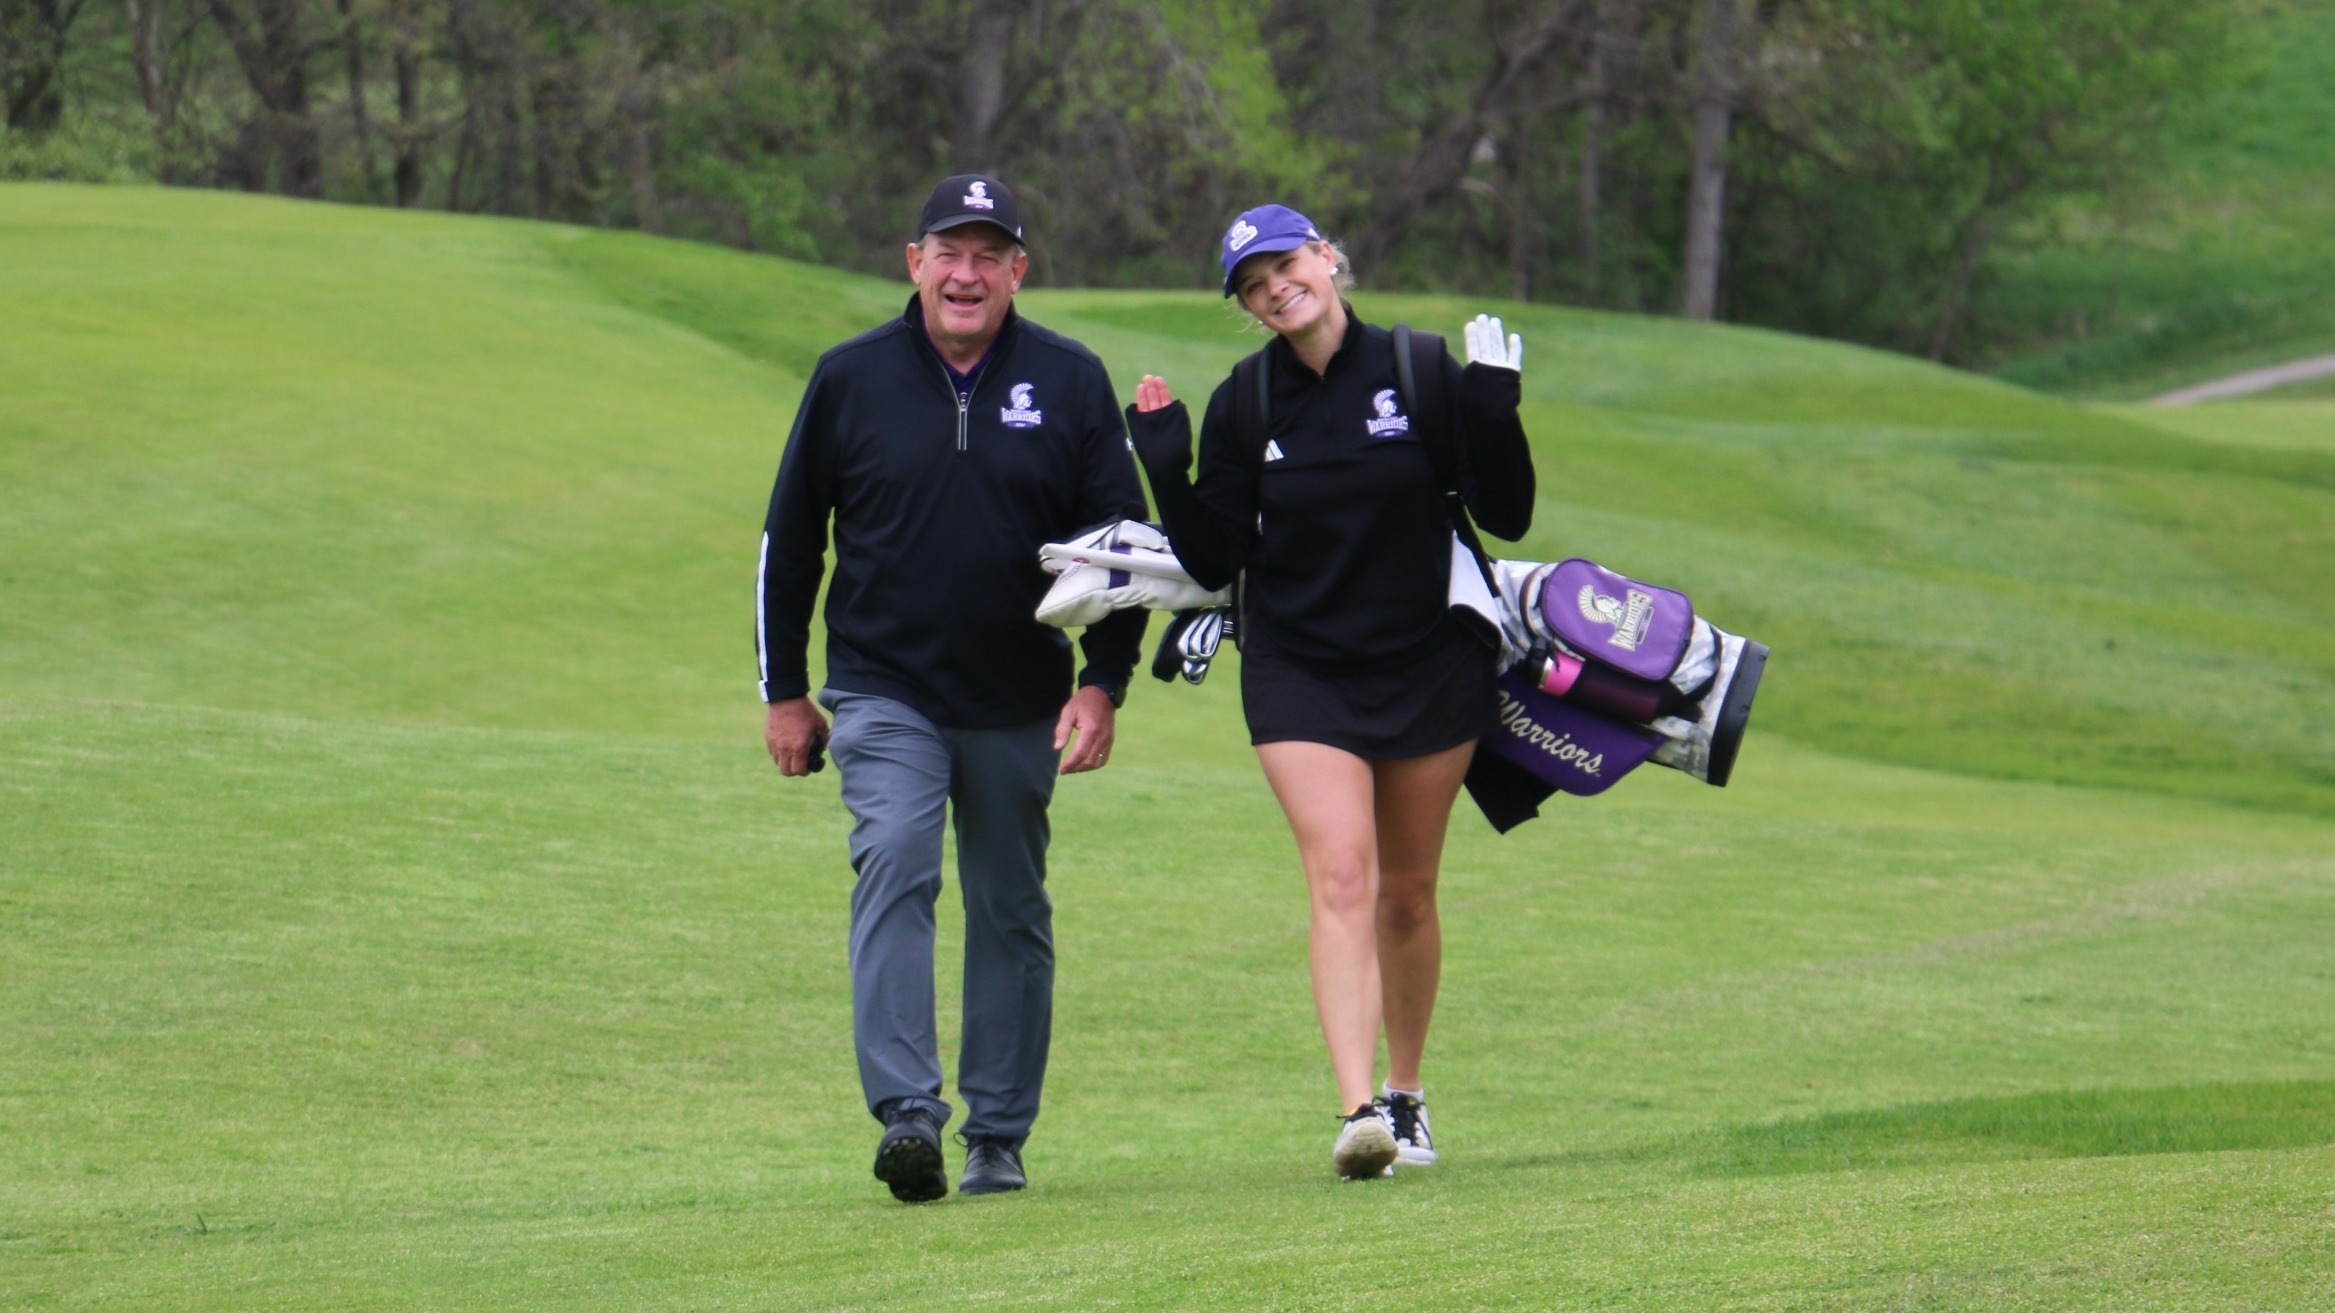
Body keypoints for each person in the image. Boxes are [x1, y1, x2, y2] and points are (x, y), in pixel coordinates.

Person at [756, 175, 1149, 1203]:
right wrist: (786, 690)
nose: (966, 274)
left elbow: (1127, 549)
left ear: (1018, 270)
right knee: (893, 853)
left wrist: (1103, 683)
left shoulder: (1069, 379)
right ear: (913, 260)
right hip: (884, 688)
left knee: (1009, 901)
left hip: (1020, 695)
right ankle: (910, 1115)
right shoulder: (851, 377)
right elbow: (790, 544)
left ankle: (999, 1133)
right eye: (949, 251)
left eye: (989, 255)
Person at [1125, 204, 1534, 1181]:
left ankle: (1407, 1092)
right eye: (1251, 282)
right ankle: (1358, 1112)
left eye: (1285, 263)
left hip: (1429, 659)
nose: (1274, 286)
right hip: (1299, 666)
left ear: (1327, 258)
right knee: (1341, 876)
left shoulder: (1421, 370)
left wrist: (1492, 410)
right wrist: (1163, 468)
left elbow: (1507, 515)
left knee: (1405, 893)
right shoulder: (1244, 403)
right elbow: (1215, 556)